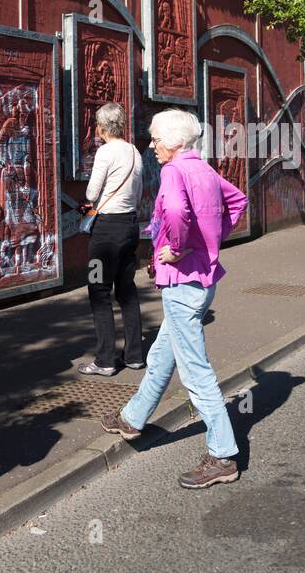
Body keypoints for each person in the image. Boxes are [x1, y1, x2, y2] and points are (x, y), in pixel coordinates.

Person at [101, 109, 248, 489]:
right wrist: (208, 242)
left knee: (196, 372)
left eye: (155, 139)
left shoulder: (174, 170)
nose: (151, 146)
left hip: (184, 280)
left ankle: (223, 455)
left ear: (175, 142)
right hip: (203, 278)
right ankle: (133, 418)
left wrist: (180, 248)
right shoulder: (205, 168)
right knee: (161, 354)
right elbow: (238, 202)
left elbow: (178, 212)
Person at [78, 102, 144, 376]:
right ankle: (135, 356)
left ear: (101, 128)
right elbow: (139, 193)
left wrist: (94, 199)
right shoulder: (135, 151)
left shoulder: (105, 152)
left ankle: (105, 360)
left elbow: (92, 193)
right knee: (126, 289)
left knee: (99, 290)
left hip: (106, 231)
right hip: (130, 225)